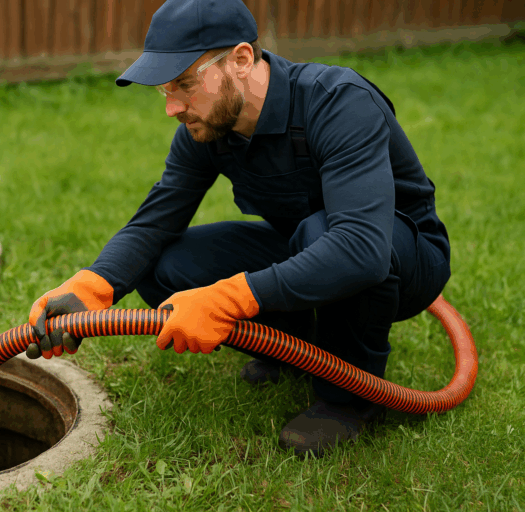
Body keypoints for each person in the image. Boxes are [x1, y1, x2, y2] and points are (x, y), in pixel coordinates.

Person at [25, 0, 451, 458]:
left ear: (242, 60)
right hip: (302, 245)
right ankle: (294, 348)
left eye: (185, 84)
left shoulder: (337, 102)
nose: (172, 107)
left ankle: (348, 397)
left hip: (401, 257)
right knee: (163, 264)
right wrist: (94, 285)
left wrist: (228, 299)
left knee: (322, 230)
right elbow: (157, 218)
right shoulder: (209, 123)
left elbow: (361, 249)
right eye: (165, 89)